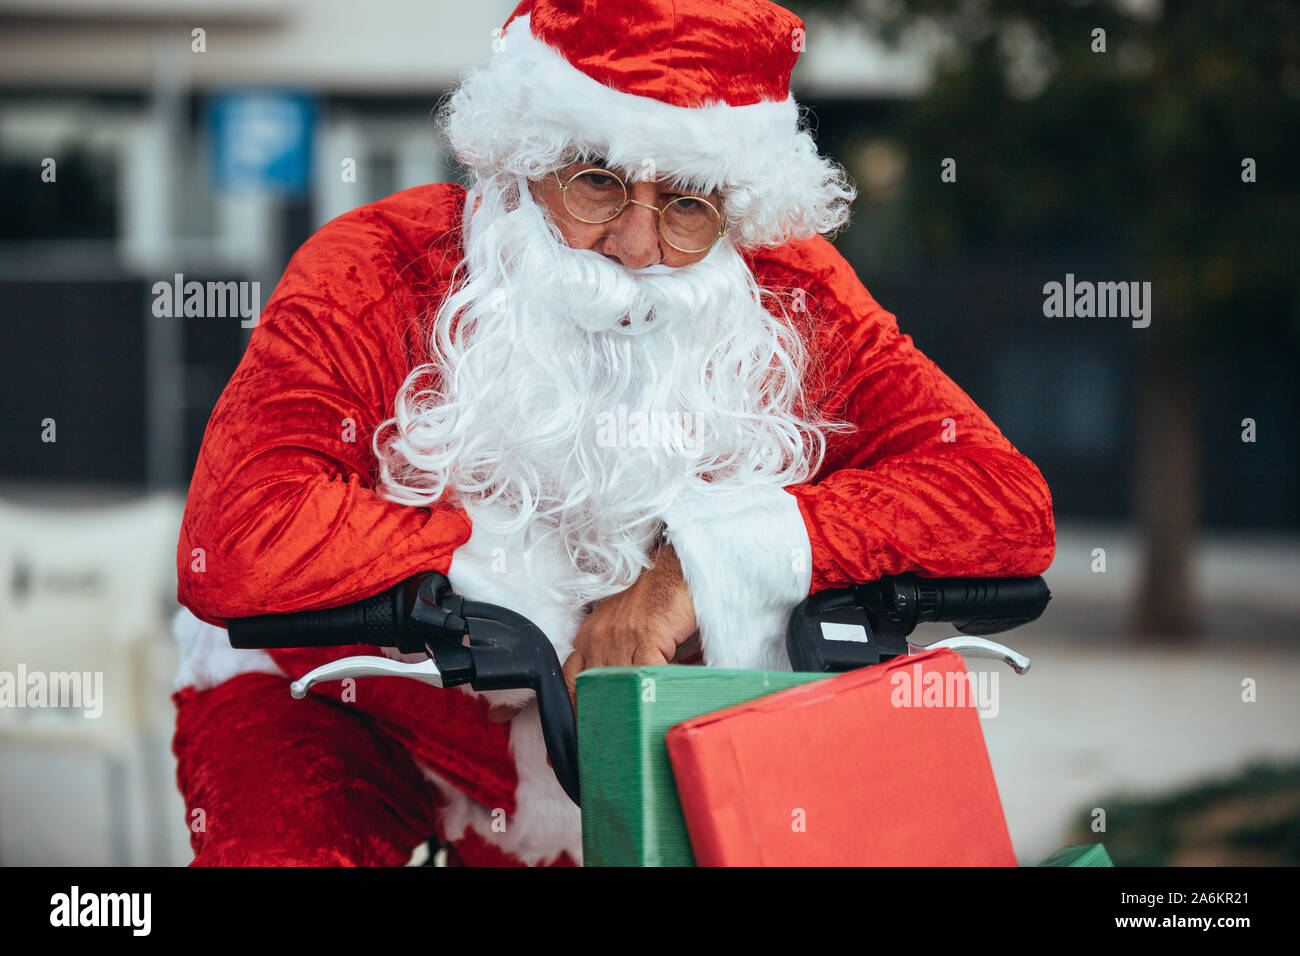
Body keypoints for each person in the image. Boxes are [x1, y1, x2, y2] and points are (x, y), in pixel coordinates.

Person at [170, 0, 1056, 867]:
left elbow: (1002, 500)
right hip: (358, 704)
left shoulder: (793, 290)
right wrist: (524, 586)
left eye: (687, 203)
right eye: (596, 180)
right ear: (524, 161)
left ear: (736, 209)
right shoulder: (374, 265)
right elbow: (239, 533)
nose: (634, 246)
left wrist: (701, 571)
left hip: (630, 742)